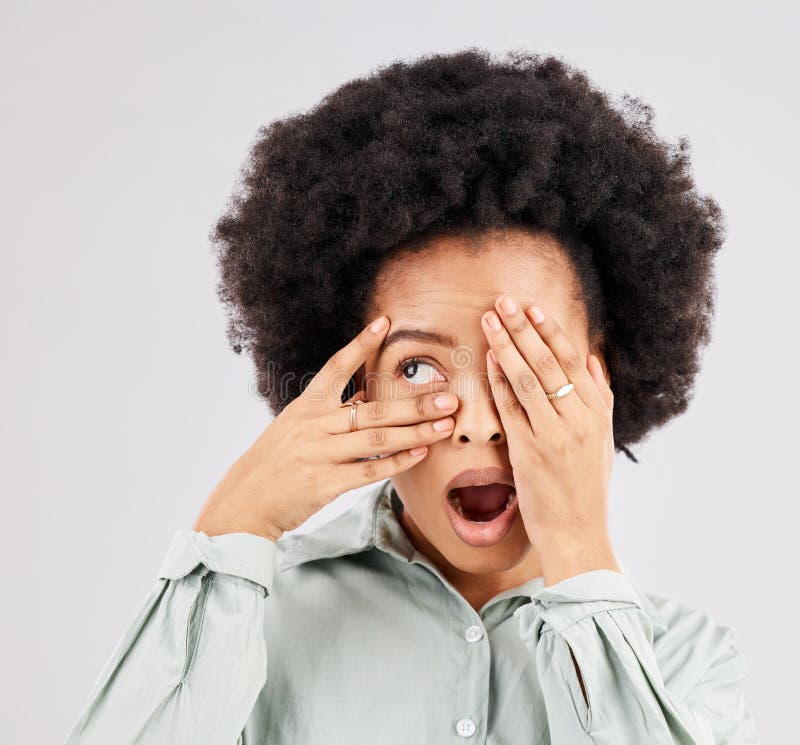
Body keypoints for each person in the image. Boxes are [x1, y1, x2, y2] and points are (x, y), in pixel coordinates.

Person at [64, 48, 760, 744]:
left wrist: (579, 548)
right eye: (420, 368)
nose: (479, 424)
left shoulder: (688, 662)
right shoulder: (252, 620)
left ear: (600, 380)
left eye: (526, 364)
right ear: (357, 387)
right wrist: (235, 523)